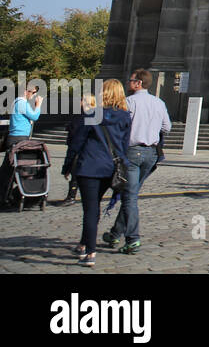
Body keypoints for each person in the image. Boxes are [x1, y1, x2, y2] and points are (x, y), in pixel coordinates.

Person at [102, 68, 171, 255]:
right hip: (151, 154)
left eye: (131, 80)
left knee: (130, 197)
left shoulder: (129, 102)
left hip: (132, 153)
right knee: (130, 196)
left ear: (138, 83)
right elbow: (167, 127)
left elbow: (119, 127)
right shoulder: (159, 102)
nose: (128, 82)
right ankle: (116, 233)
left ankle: (133, 239)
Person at [67, 80, 132, 268]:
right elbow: (124, 145)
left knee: (90, 210)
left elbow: (77, 142)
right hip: (111, 169)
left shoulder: (92, 113)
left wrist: (67, 165)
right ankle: (83, 244)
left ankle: (90, 252)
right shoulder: (125, 116)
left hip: (90, 167)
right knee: (94, 207)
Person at [7, 83, 42, 148]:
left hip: (15, 136)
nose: (35, 94)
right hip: (19, 137)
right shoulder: (22, 103)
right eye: (33, 92)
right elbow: (34, 117)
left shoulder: (17, 101)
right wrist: (38, 105)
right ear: (25, 92)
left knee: (11, 157)